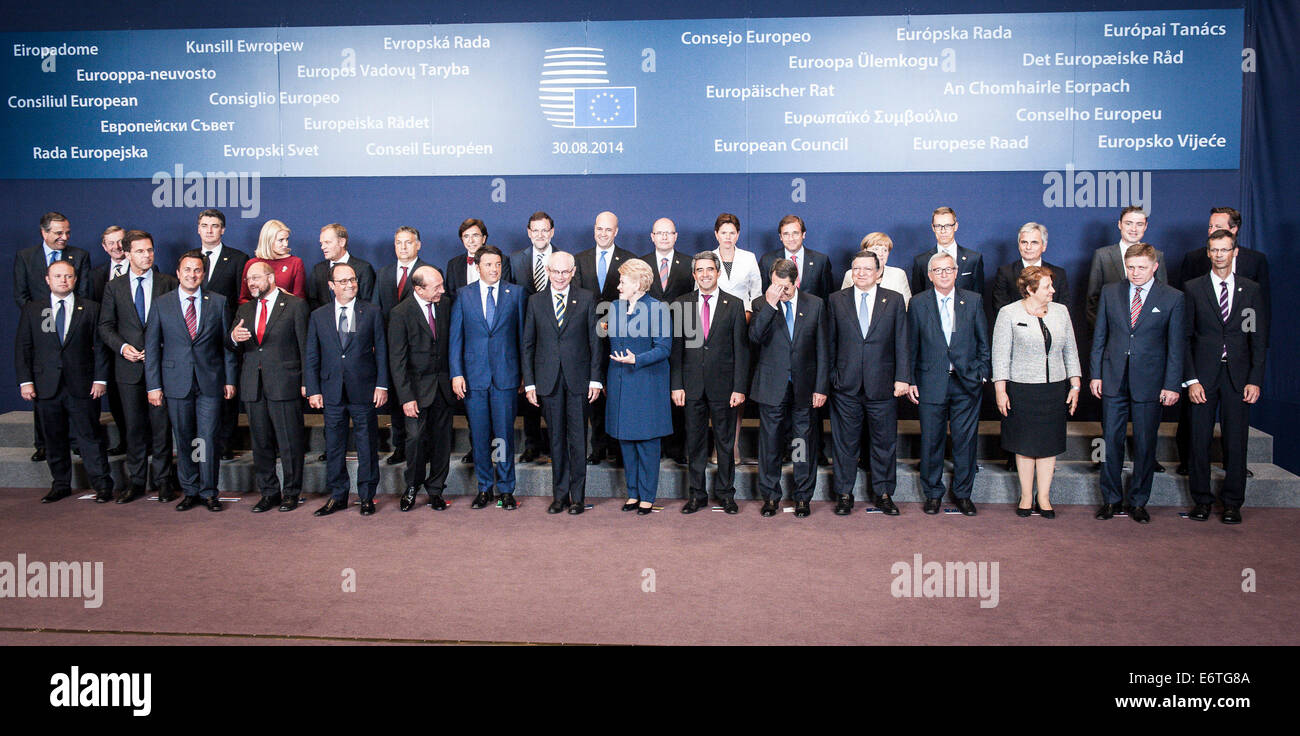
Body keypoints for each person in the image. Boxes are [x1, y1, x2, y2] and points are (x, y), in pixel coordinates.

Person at [1089, 243, 1184, 523]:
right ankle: (1111, 499)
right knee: (1111, 441)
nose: (1136, 272)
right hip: (1113, 378)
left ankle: (1139, 501)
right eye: (1131, 267)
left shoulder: (1173, 298)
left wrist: (1171, 385)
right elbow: (1099, 338)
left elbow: (1176, 347)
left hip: (1151, 382)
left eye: (1142, 267)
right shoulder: (1110, 292)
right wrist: (1096, 374)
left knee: (1145, 444)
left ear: (1155, 267)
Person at [1175, 207, 1270, 476]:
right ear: (1208, 252)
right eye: (1214, 249)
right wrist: (1190, 379)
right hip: (1203, 374)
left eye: (1225, 249)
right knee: (1198, 438)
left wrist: (1255, 377)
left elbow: (1258, 335)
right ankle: (1201, 499)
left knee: (1236, 440)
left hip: (1238, 374)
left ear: (1234, 250)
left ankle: (1232, 502)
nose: (1219, 254)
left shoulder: (1251, 287)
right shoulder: (1193, 286)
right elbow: (1184, 335)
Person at [145, 251, 238, 512]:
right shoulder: (162, 303)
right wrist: (154, 385)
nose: (192, 274)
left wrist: (230, 380)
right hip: (175, 383)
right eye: (187, 269)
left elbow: (227, 346)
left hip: (211, 382)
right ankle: (190, 490)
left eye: (197, 270)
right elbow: (152, 348)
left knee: (207, 439)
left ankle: (209, 492)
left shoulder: (218, 302)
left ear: (203, 274)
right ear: (178, 273)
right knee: (184, 438)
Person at [16, 259, 114, 504]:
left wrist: (100, 379)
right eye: (58, 276)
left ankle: (102, 486)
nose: (63, 280)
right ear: (47, 280)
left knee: (89, 437)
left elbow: (101, 348)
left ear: (75, 279)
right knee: (53, 438)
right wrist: (25, 382)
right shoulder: (33, 310)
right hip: (45, 387)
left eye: (68, 276)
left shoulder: (90, 308)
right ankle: (60, 485)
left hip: (82, 386)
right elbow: (23, 348)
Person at [991, 266, 1081, 518]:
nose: (1053, 290)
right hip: (1021, 388)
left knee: (1048, 445)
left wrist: (1075, 384)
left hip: (1054, 388)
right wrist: (1001, 390)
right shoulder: (1008, 313)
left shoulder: (1061, 312)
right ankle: (1026, 496)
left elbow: (1071, 351)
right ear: (1030, 290)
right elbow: (1000, 356)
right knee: (1025, 445)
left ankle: (1044, 497)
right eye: (1047, 287)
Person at [98, 230, 179, 503]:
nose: (147, 255)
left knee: (161, 427)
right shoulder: (114, 287)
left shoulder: (167, 282)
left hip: (161, 368)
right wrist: (123, 347)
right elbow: (105, 326)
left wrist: (159, 349)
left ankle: (164, 480)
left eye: (150, 250)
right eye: (141, 251)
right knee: (133, 428)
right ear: (127, 253)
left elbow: (177, 324)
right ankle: (136, 481)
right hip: (128, 369)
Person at [908, 252, 991, 516]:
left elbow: (983, 342)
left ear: (956, 272)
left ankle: (963, 494)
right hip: (930, 381)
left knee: (965, 442)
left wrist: (981, 371)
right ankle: (933, 493)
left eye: (948, 269)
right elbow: (911, 345)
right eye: (938, 270)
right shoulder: (918, 303)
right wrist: (910, 379)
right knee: (931, 441)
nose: (943, 274)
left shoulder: (974, 300)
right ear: (929, 275)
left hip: (966, 383)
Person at [827, 251, 909, 516]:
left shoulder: (894, 300)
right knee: (844, 443)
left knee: (884, 442)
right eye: (856, 269)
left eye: (866, 269)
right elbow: (828, 344)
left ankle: (884, 494)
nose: (860, 273)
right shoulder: (836, 300)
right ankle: (843, 494)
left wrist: (903, 378)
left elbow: (902, 342)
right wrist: (830, 378)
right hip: (845, 386)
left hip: (883, 385)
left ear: (878, 272)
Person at [522, 251, 603, 514]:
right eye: (555, 272)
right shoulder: (535, 302)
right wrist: (531, 383)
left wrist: (595, 379)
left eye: (565, 272)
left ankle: (578, 498)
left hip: (580, 381)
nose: (560, 277)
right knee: (556, 440)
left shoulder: (587, 298)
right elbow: (528, 345)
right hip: (548, 382)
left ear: (573, 271)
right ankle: (560, 496)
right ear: (547, 271)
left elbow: (595, 343)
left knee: (578, 440)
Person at [305, 263, 389, 516]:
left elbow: (382, 352)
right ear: (331, 286)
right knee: (334, 445)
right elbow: (312, 355)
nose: (350, 284)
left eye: (352, 280)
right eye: (343, 281)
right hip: (331, 391)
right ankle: (338, 496)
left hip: (364, 389)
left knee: (366, 445)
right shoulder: (318, 315)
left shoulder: (372, 312)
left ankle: (366, 497)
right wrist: (313, 389)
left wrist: (382, 384)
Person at [749, 259, 829, 517]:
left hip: (804, 388)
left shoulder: (815, 304)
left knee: (801, 443)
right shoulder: (762, 304)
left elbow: (822, 350)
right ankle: (770, 496)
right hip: (772, 386)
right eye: (775, 285)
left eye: (785, 287)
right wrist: (771, 305)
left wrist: (820, 387)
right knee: (770, 443)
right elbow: (755, 337)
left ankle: (802, 496)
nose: (780, 292)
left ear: (797, 283)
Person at [671, 251, 749, 513]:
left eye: (709, 269)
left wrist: (739, 387)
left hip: (724, 388)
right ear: (694, 275)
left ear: (717, 272)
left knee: (725, 443)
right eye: (700, 270)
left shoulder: (735, 304)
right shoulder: (682, 304)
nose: (705, 274)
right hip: (691, 386)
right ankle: (697, 495)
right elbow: (677, 350)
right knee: (695, 444)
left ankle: (726, 493)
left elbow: (741, 350)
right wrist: (676, 385)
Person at [229, 261, 310, 512]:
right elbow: (232, 344)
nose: (251, 283)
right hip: (254, 385)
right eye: (248, 280)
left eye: (256, 278)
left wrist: (308, 382)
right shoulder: (245, 310)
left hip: (285, 383)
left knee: (289, 441)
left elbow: (306, 347)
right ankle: (269, 492)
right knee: (261, 442)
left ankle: (291, 492)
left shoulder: (295, 306)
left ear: (271, 277)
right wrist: (233, 337)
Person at [449, 245, 525, 510]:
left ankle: (506, 489)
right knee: (479, 436)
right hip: (474, 378)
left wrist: (525, 375)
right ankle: (484, 488)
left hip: (505, 378)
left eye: (498, 265)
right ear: (478, 267)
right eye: (489, 265)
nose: (494, 269)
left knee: (503, 436)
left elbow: (522, 339)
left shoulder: (515, 294)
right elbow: (455, 338)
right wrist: (457, 373)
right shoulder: (463, 295)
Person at [14, 211, 92, 462]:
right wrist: (42, 318)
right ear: (44, 232)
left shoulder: (79, 256)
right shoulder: (26, 257)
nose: (64, 237)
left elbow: (84, 292)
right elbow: (21, 295)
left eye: (67, 232)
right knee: (45, 389)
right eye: (58, 233)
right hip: (41, 329)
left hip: (72, 324)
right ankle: (44, 444)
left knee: (73, 392)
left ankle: (75, 441)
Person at [761, 215, 834, 467]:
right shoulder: (768, 261)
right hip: (778, 348)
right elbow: (765, 304)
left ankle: (812, 452)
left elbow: (826, 298)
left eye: (795, 233)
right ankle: (784, 452)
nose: (791, 238)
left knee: (807, 420)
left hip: (807, 347)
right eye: (786, 234)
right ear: (780, 236)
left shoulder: (821, 261)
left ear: (804, 234)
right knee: (778, 418)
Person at [604, 259, 673, 515]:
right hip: (621, 383)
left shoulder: (657, 308)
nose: (618, 285)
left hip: (646, 383)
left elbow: (664, 348)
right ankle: (632, 494)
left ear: (637, 283)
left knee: (646, 443)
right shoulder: (614, 307)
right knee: (626, 442)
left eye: (623, 281)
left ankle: (647, 496)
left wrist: (637, 359)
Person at [387, 265, 455, 512]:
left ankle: (436, 489)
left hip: (443, 389)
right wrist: (406, 397)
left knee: (442, 441)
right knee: (414, 440)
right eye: (437, 287)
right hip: (415, 392)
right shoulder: (400, 313)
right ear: (419, 289)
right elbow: (398, 359)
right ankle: (412, 486)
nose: (442, 290)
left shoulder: (445, 305)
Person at [576, 211, 635, 466]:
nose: (603, 233)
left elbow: (634, 299)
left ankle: (620, 449)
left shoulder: (629, 260)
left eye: (608, 229)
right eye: (599, 228)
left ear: (616, 232)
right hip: (589, 338)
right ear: (594, 230)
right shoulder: (580, 259)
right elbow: (577, 300)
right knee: (594, 391)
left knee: (620, 392)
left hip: (620, 337)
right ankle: (597, 447)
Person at [376, 226, 434, 466]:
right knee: (397, 397)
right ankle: (399, 446)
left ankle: (422, 449)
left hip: (421, 350)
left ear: (418, 245)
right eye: (398, 242)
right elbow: (377, 311)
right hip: (393, 347)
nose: (403, 247)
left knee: (421, 402)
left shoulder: (430, 273)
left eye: (408, 242)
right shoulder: (384, 273)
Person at [195, 209, 250, 463]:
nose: (209, 230)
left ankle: (225, 444)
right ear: (198, 229)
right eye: (205, 225)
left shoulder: (238, 259)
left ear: (223, 230)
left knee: (227, 389)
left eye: (214, 226)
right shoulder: (190, 259)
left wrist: (234, 332)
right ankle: (202, 445)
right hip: (194, 337)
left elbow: (243, 299)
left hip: (226, 335)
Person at [509, 211, 563, 464]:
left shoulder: (564, 259)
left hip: (557, 336)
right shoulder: (515, 260)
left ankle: (555, 444)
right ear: (528, 232)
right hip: (527, 334)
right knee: (529, 389)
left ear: (552, 232)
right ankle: (532, 445)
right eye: (535, 230)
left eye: (545, 230)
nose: (540, 234)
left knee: (555, 394)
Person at [642, 217, 693, 464]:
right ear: (652, 236)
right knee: (653, 390)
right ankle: (655, 445)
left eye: (669, 233)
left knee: (678, 387)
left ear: (675, 236)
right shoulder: (641, 264)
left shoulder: (689, 264)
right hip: (648, 337)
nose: (664, 237)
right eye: (659, 233)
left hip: (682, 333)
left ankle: (676, 447)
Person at [1085, 206, 1169, 329]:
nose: (1134, 229)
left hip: (1147, 335)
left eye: (1139, 224)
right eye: (1129, 223)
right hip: (1111, 335)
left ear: (1146, 226)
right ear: (1120, 224)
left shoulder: (1157, 256)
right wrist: (1102, 331)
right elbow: (1093, 300)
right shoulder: (1102, 256)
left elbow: (1163, 297)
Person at [88, 225, 129, 455]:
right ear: (104, 247)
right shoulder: (95, 276)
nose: (117, 247)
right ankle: (124, 440)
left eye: (121, 241)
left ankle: (143, 443)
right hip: (107, 346)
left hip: (135, 346)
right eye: (111, 243)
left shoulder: (147, 270)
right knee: (115, 398)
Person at [991, 222, 1070, 314]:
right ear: (1018, 245)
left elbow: (1062, 310)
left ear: (1044, 246)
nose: (1028, 247)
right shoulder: (1005, 273)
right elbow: (1001, 310)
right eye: (1024, 242)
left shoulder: (1058, 273)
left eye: (1034, 242)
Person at [911, 206, 984, 297]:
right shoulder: (921, 261)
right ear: (933, 228)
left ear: (955, 226)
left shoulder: (973, 259)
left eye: (948, 226)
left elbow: (979, 298)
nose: (943, 231)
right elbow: (918, 301)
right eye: (938, 226)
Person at [309, 223, 375, 310]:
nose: (323, 247)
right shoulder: (318, 270)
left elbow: (367, 302)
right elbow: (313, 302)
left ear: (342, 242)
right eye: (321, 243)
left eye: (327, 242)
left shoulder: (363, 268)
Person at [239, 219, 306, 303]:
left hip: (285, 313)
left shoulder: (295, 263)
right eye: (281, 240)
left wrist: (284, 295)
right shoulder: (252, 264)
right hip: (257, 314)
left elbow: (300, 300)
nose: (285, 244)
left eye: (287, 239)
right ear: (268, 241)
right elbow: (244, 299)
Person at [445, 218, 513, 300]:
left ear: (484, 238)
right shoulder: (454, 264)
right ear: (462, 240)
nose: (471, 241)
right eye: (466, 236)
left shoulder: (502, 260)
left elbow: (504, 292)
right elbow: (451, 296)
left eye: (475, 235)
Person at [840, 232, 912, 305]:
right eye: (876, 249)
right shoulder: (851, 274)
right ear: (865, 251)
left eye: (885, 250)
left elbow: (906, 305)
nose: (880, 254)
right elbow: (843, 304)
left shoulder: (898, 274)